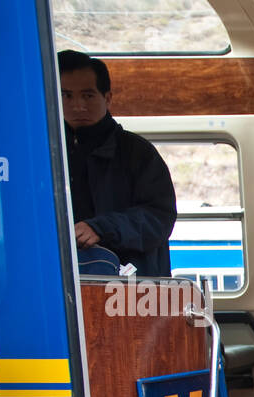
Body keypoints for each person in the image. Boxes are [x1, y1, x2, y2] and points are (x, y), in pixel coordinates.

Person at [58, 50, 176, 276]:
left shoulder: (139, 153)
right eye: (67, 96)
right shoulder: (46, 155)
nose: (77, 105)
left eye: (88, 95)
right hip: (63, 283)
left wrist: (101, 228)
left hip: (131, 291)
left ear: (107, 98)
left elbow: (159, 218)